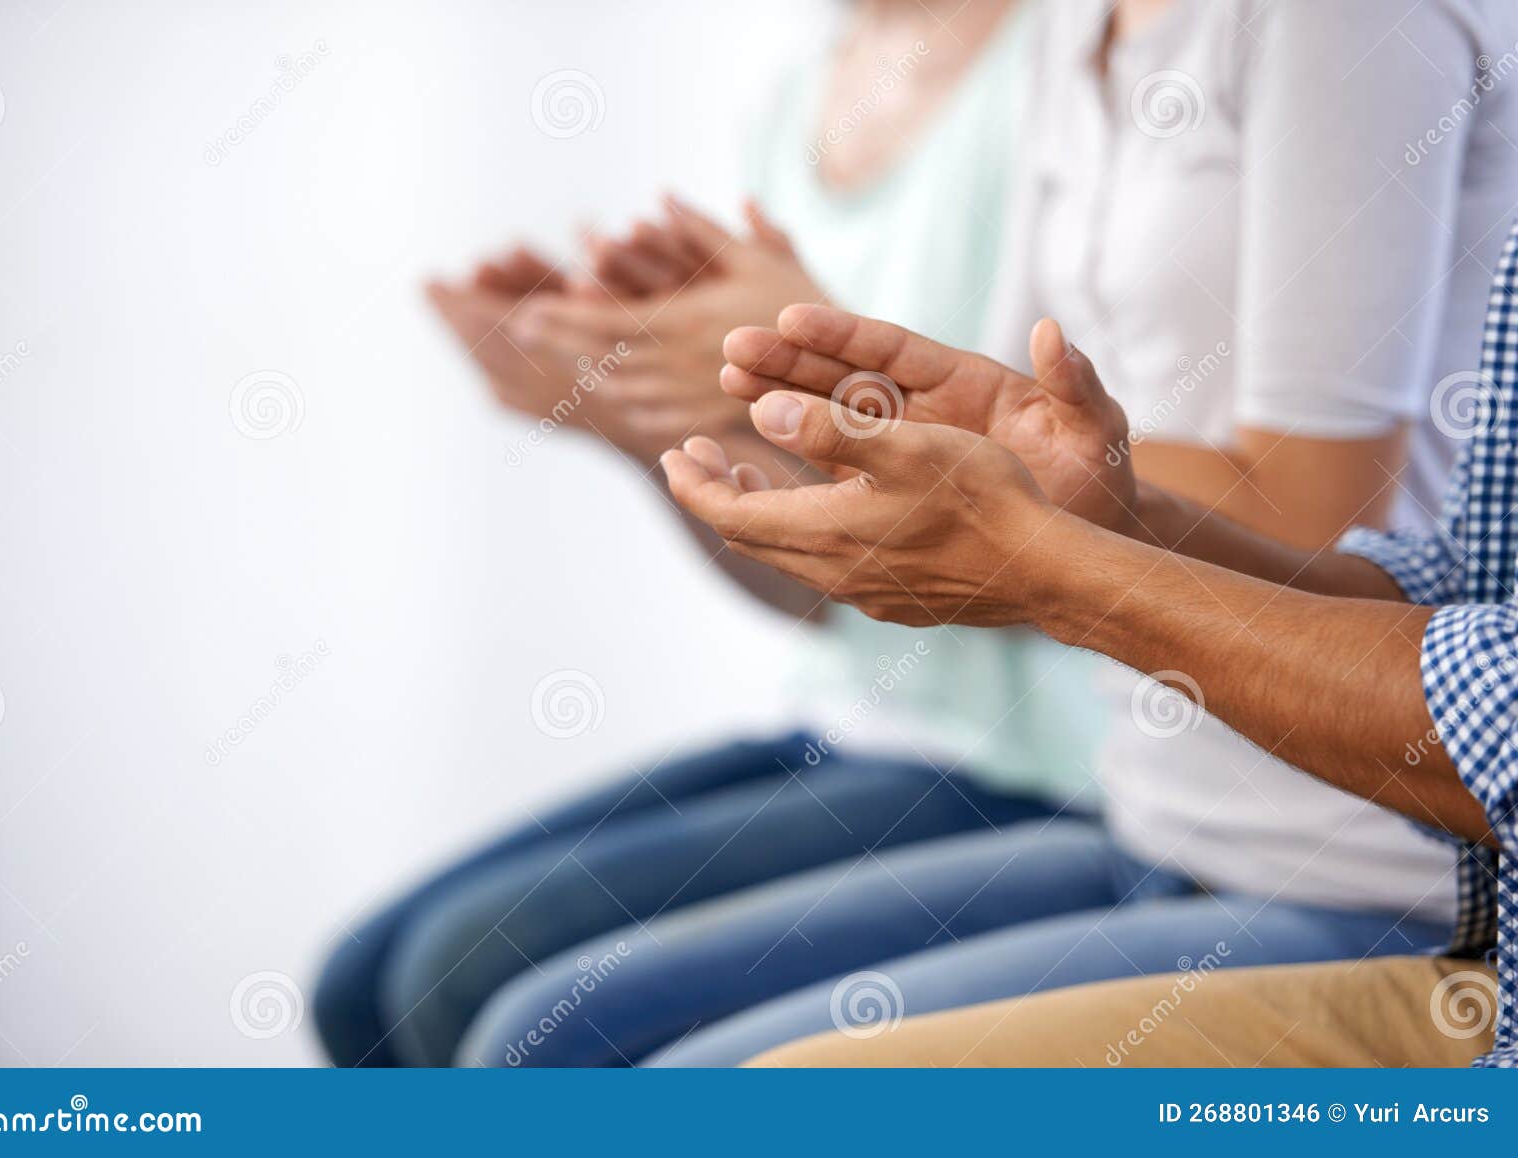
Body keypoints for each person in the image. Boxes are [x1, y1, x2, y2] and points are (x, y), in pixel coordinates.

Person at [452, 0, 1518, 1067]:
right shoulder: (1072, 28)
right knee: (501, 1017)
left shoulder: (1336, 24)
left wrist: (1046, 540)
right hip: (1164, 817)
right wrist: (695, 414)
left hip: (1344, 867)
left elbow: (1321, 521)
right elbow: (1021, 426)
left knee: (573, 1047)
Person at [312, 0, 1096, 1068]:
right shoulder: (799, 98)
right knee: (363, 988)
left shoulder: (1060, 66)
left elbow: (1067, 516)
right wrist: (639, 420)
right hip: (858, 727)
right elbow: (829, 588)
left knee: (469, 991)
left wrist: (815, 381)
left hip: (1055, 768)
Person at [671, 214, 1518, 1070]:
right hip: (1443, 958)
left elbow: (1494, 728)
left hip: (1364, 913)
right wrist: (1115, 521)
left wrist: (1056, 571)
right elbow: (1464, 598)